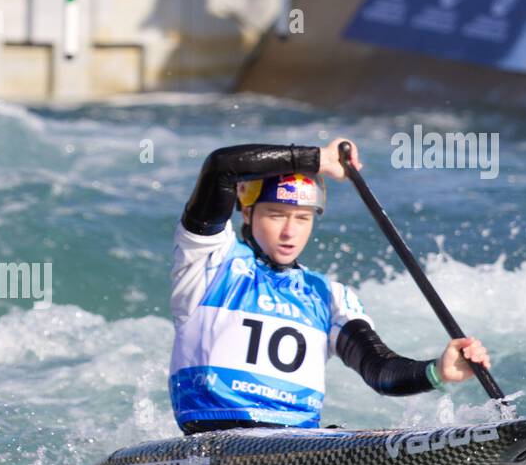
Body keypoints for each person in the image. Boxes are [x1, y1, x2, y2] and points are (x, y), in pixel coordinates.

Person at [169, 139, 491, 433]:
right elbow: (222, 166)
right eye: (277, 215)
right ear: (249, 213)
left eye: (302, 218)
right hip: (211, 442)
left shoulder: (329, 296)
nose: (289, 232)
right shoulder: (208, 260)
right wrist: (318, 159)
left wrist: (436, 371)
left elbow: (379, 369)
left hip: (295, 448)